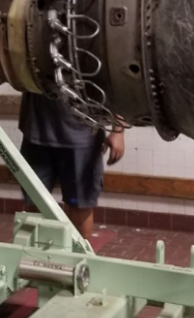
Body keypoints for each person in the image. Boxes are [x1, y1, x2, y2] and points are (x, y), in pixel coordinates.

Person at [18, 92, 125, 244]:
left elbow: (115, 83)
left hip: (83, 138)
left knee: (80, 205)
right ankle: (33, 258)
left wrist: (118, 131)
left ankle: (79, 259)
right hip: (37, 132)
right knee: (34, 202)